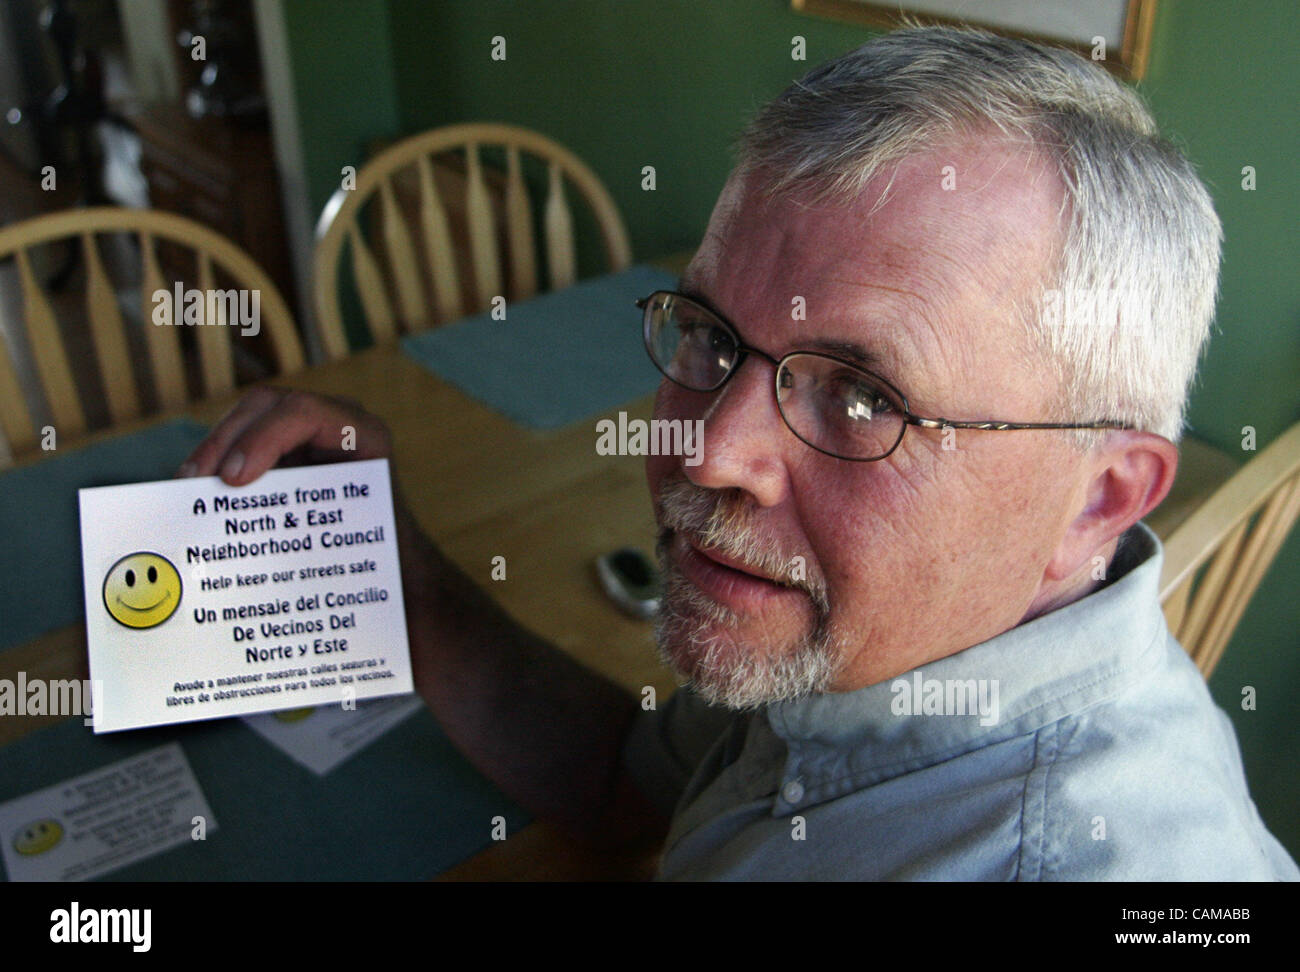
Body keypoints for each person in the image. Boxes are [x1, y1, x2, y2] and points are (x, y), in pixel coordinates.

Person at [179, 26, 1297, 880]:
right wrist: (398, 574)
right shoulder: (884, 640)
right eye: (712, 336)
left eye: (864, 396)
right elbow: (639, 786)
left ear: (1097, 501)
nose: (708, 449)